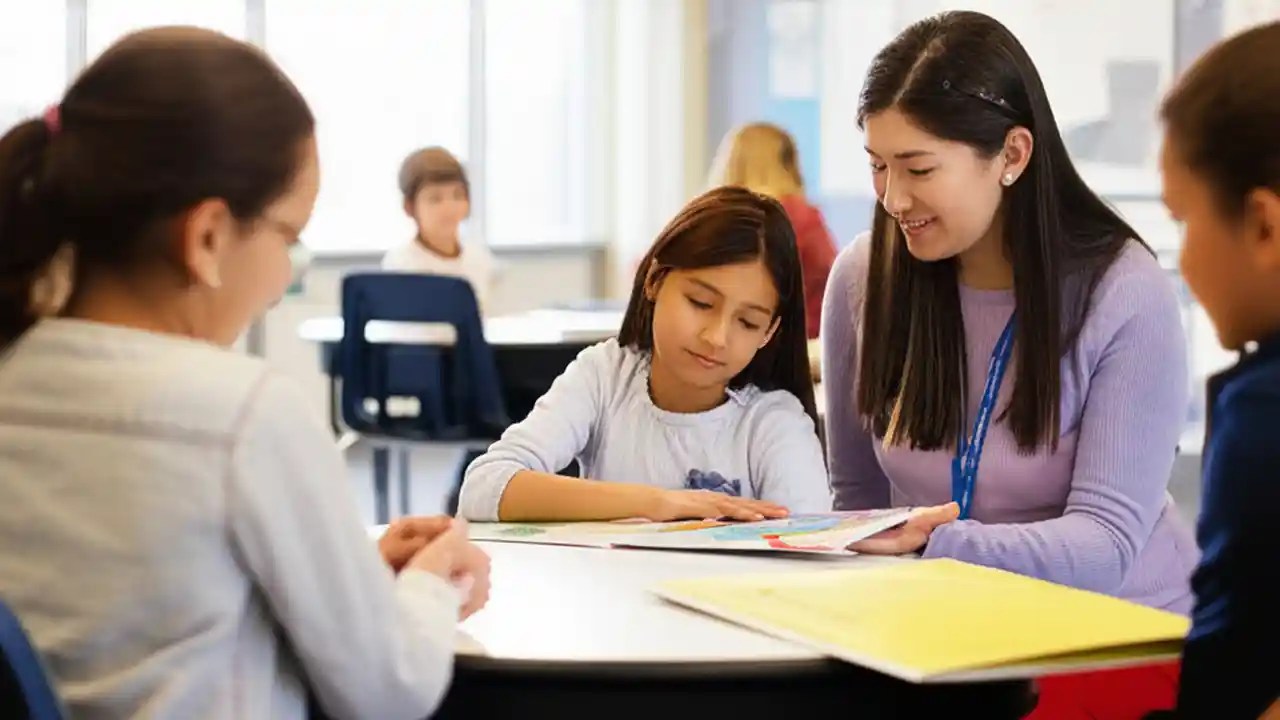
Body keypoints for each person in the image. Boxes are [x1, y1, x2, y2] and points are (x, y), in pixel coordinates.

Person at [0, 28, 488, 720]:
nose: (287, 268)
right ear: (206, 239)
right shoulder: (245, 415)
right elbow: (390, 690)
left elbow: (149, 612)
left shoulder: (13, 373)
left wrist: (347, 574)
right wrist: (436, 583)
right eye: (288, 235)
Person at [821, 11, 1200, 715]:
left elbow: (1105, 546)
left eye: (919, 168)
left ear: (1013, 155)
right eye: (878, 166)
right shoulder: (863, 278)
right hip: (936, 631)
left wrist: (933, 545)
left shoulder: (1123, 290)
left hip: (1109, 633)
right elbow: (856, 502)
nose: (893, 199)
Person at [458, 186, 830, 522]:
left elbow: (812, 550)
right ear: (654, 279)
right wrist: (655, 504)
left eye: (747, 323)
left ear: (769, 333)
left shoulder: (774, 422)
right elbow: (485, 487)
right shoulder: (604, 377)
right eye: (700, 303)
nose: (717, 337)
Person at [1154, 19, 1280, 720]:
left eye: (1183, 222)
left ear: (1263, 226)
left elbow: (1226, 687)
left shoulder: (1265, 418)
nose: (1187, 261)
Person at [709, 122, 837, 339]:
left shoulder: (710, 219)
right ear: (788, 163)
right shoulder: (801, 217)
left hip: (725, 344)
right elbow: (833, 280)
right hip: (796, 344)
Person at [382, 146, 493, 312]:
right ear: (410, 207)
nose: (449, 208)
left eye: (458, 195)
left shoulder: (478, 258)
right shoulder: (400, 264)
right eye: (435, 199)